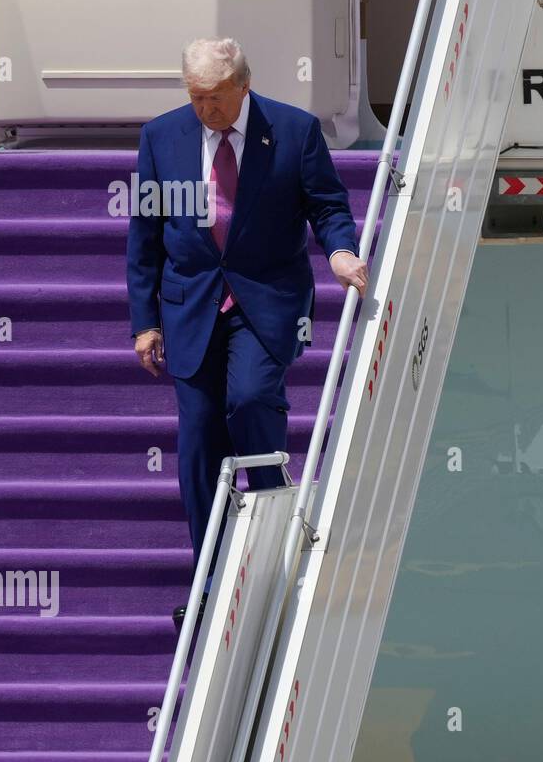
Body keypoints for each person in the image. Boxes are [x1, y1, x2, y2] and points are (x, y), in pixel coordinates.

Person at [126, 38, 368, 629]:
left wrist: (339, 251)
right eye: (194, 97)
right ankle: (210, 581)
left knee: (254, 400)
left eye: (213, 97)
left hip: (264, 302)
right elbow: (145, 234)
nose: (203, 108)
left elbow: (328, 204)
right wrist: (144, 322)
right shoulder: (163, 137)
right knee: (199, 440)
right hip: (190, 307)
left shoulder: (295, 129)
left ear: (242, 84)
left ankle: (268, 560)